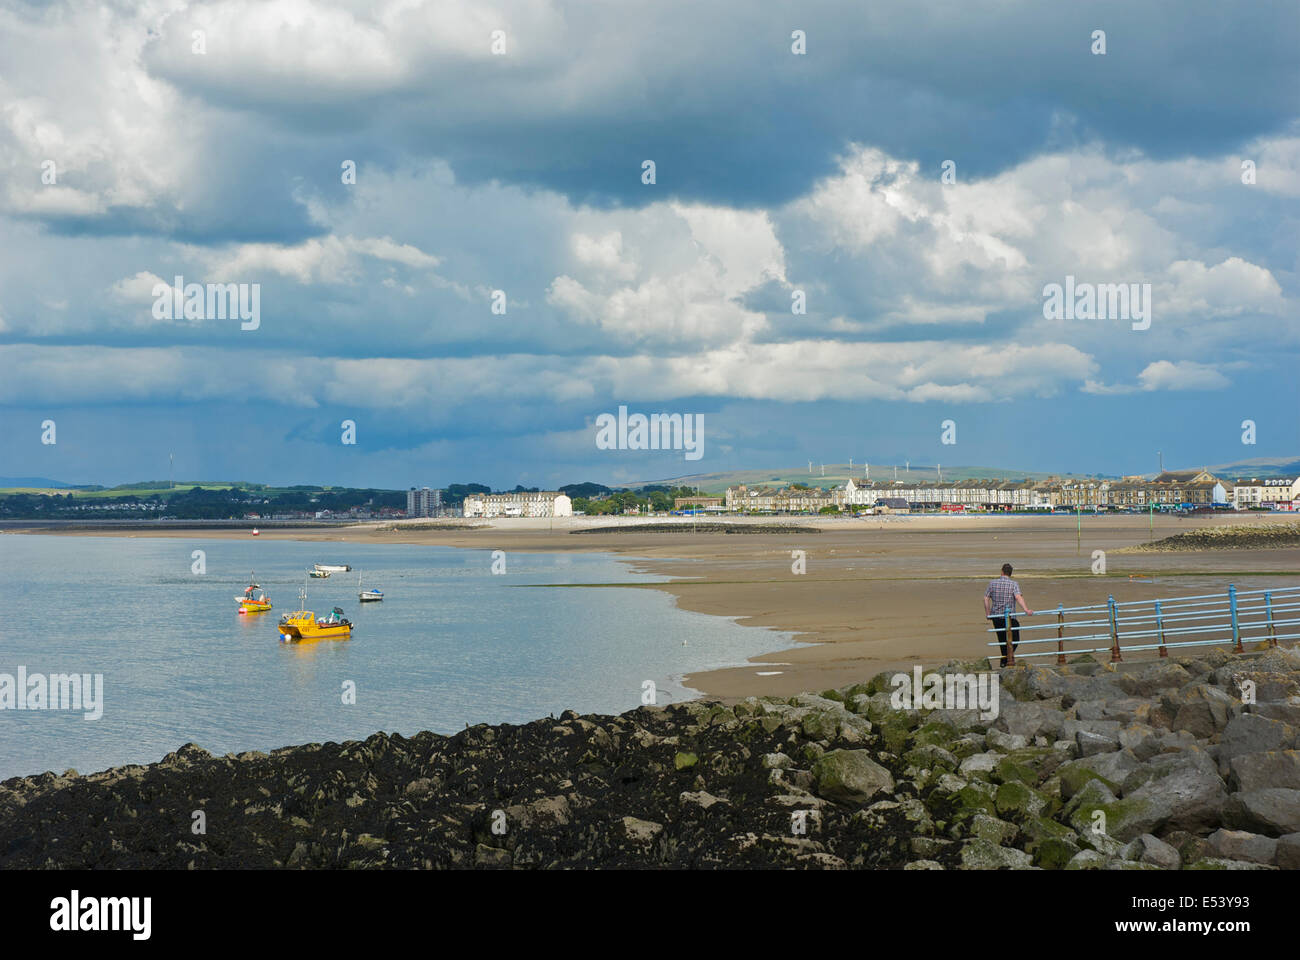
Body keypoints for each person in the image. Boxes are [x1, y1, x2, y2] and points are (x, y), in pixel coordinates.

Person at [984, 563, 1034, 667]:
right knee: (1015, 639)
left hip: (996, 617)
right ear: (1010, 574)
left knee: (1002, 640)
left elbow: (986, 598)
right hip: (1009, 617)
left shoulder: (992, 583)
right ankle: (1007, 659)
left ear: (1001, 571)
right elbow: (1018, 597)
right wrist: (1026, 610)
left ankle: (1004, 661)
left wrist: (988, 613)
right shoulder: (1013, 584)